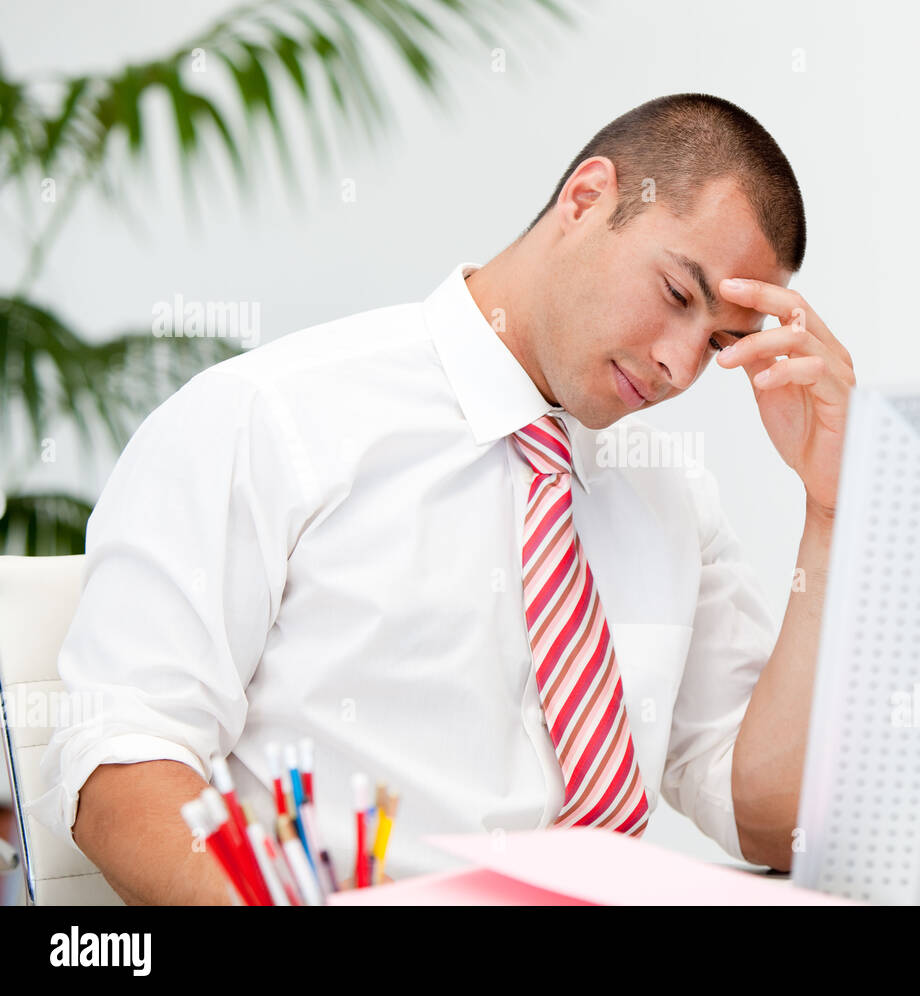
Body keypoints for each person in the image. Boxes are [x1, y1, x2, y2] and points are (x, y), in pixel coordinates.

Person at [32, 92, 856, 904]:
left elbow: (772, 824)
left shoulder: (671, 493)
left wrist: (828, 511)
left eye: (718, 342)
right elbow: (122, 770)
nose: (681, 365)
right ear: (586, 197)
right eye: (677, 294)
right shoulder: (268, 419)